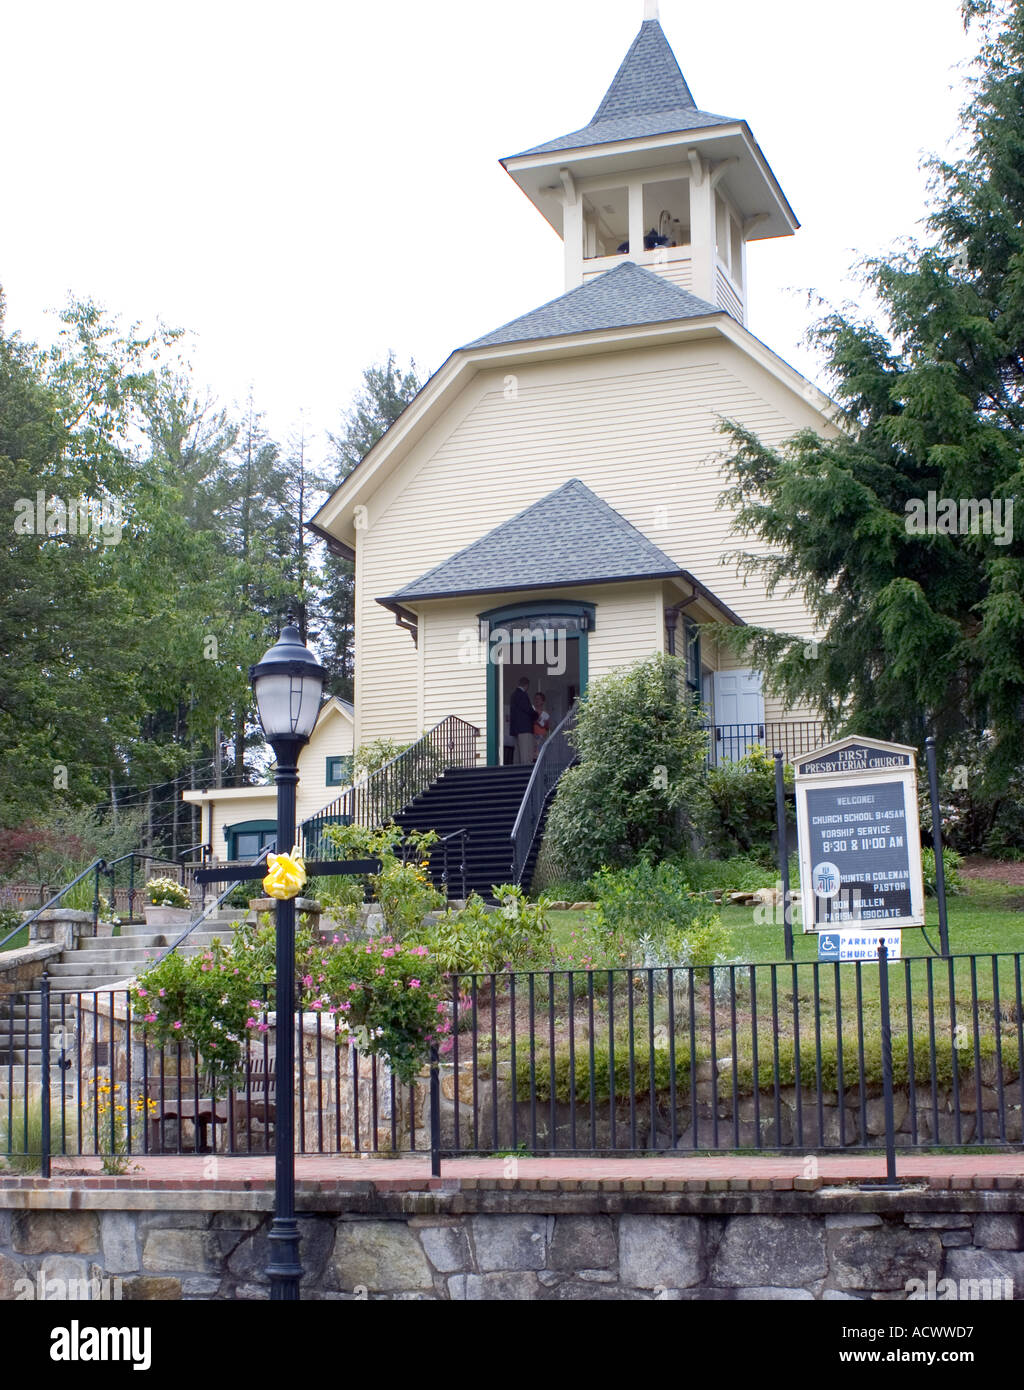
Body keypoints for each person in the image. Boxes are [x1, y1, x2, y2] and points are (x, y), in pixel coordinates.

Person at [509, 677, 536, 766]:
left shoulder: (513, 695)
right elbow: (527, 709)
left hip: (516, 729)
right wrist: (536, 715)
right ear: (526, 685)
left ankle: (515, 772)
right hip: (525, 728)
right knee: (526, 753)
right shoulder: (523, 695)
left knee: (517, 753)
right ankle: (526, 773)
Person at [532, 692, 551, 761]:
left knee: (541, 757)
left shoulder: (545, 714)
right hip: (532, 736)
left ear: (542, 701)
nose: (536, 700)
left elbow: (547, 726)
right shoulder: (531, 711)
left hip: (541, 737)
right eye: (535, 698)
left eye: (538, 699)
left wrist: (539, 722)